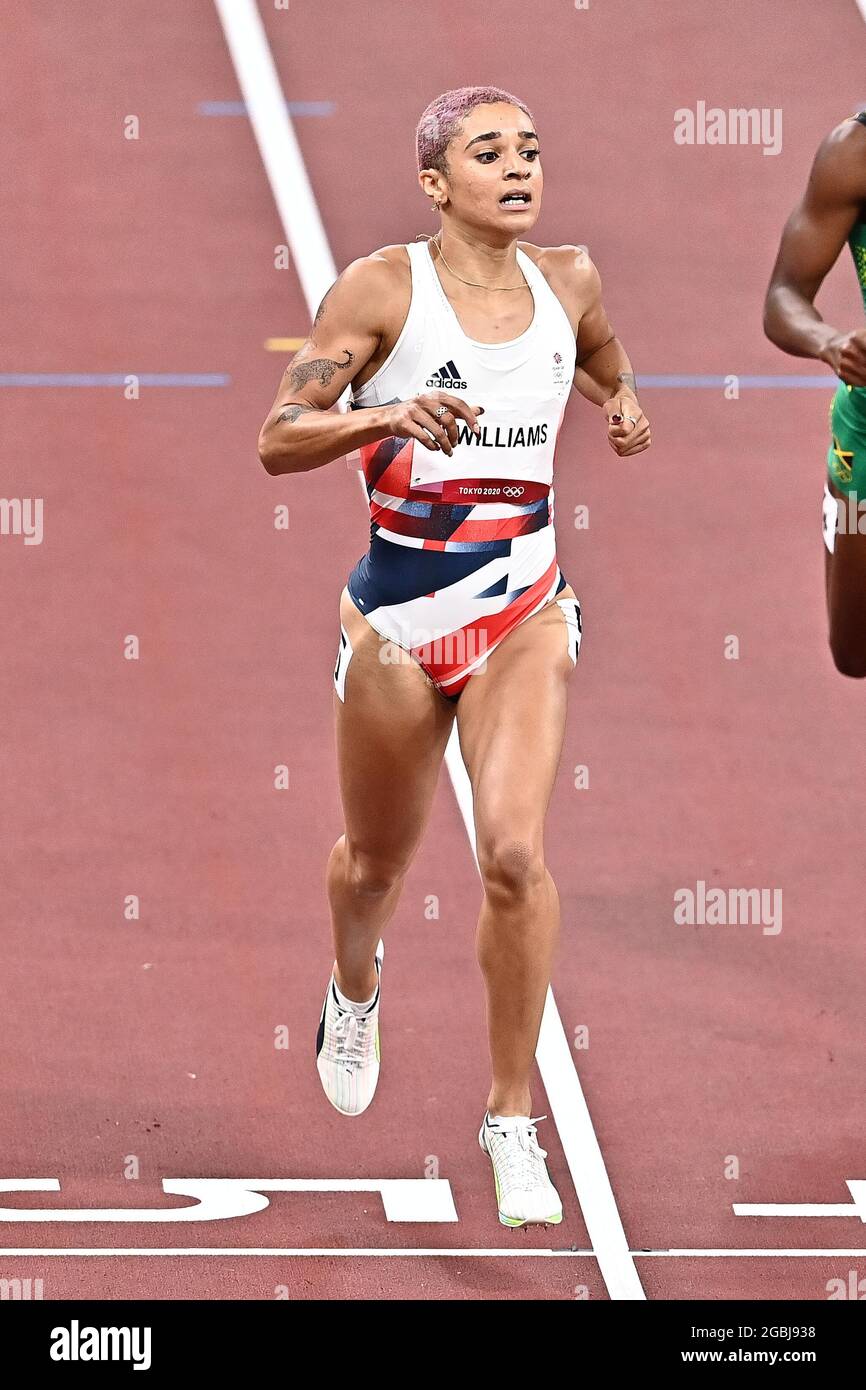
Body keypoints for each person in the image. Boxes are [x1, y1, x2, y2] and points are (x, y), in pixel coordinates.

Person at [258, 85, 651, 1227]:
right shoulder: (383, 289)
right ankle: (353, 980)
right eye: (488, 153)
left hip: (524, 604)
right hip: (396, 620)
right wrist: (381, 419)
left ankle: (509, 1116)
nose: (518, 166)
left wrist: (621, 402)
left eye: (529, 147)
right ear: (436, 184)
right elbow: (278, 436)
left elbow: (601, 361)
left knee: (514, 855)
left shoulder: (567, 277)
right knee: (376, 866)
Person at [764, 110, 866, 677]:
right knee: (854, 650)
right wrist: (830, 343)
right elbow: (784, 295)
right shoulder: (854, 151)